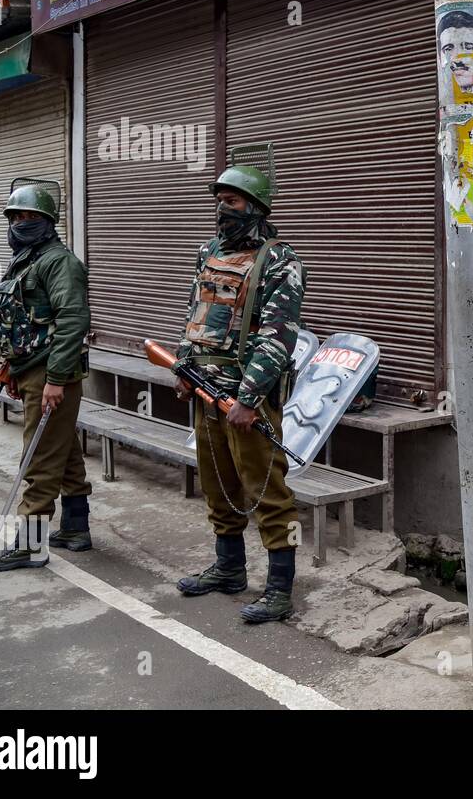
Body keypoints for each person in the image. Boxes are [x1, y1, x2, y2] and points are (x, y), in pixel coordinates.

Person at [174, 166, 306, 623]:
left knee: (269, 494)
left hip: (248, 400)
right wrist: (182, 365)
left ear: (255, 207)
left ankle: (279, 589)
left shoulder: (280, 260)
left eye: (231, 202)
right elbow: (196, 311)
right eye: (220, 200)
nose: (221, 209)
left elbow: (278, 337)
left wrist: (249, 399)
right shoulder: (208, 252)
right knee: (217, 487)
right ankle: (229, 570)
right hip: (206, 391)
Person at [0, 182, 92, 571]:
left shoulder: (59, 262)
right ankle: (76, 527)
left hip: (52, 371)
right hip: (31, 369)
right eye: (15, 217)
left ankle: (30, 545)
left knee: (38, 458)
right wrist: (11, 367)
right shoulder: (25, 260)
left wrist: (56, 379)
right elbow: (19, 322)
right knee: (61, 450)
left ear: (48, 222)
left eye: (30, 217)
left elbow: (73, 320)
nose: (21, 223)